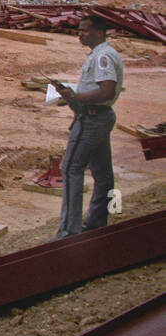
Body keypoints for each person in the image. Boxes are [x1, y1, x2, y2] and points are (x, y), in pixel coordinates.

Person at [52, 14, 124, 239]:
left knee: (71, 168)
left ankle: (68, 230)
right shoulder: (102, 54)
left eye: (85, 30)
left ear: (99, 33)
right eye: (79, 30)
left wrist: (77, 96)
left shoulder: (102, 56)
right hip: (99, 117)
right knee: (102, 172)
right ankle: (96, 222)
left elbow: (107, 91)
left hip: (92, 119)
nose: (80, 34)